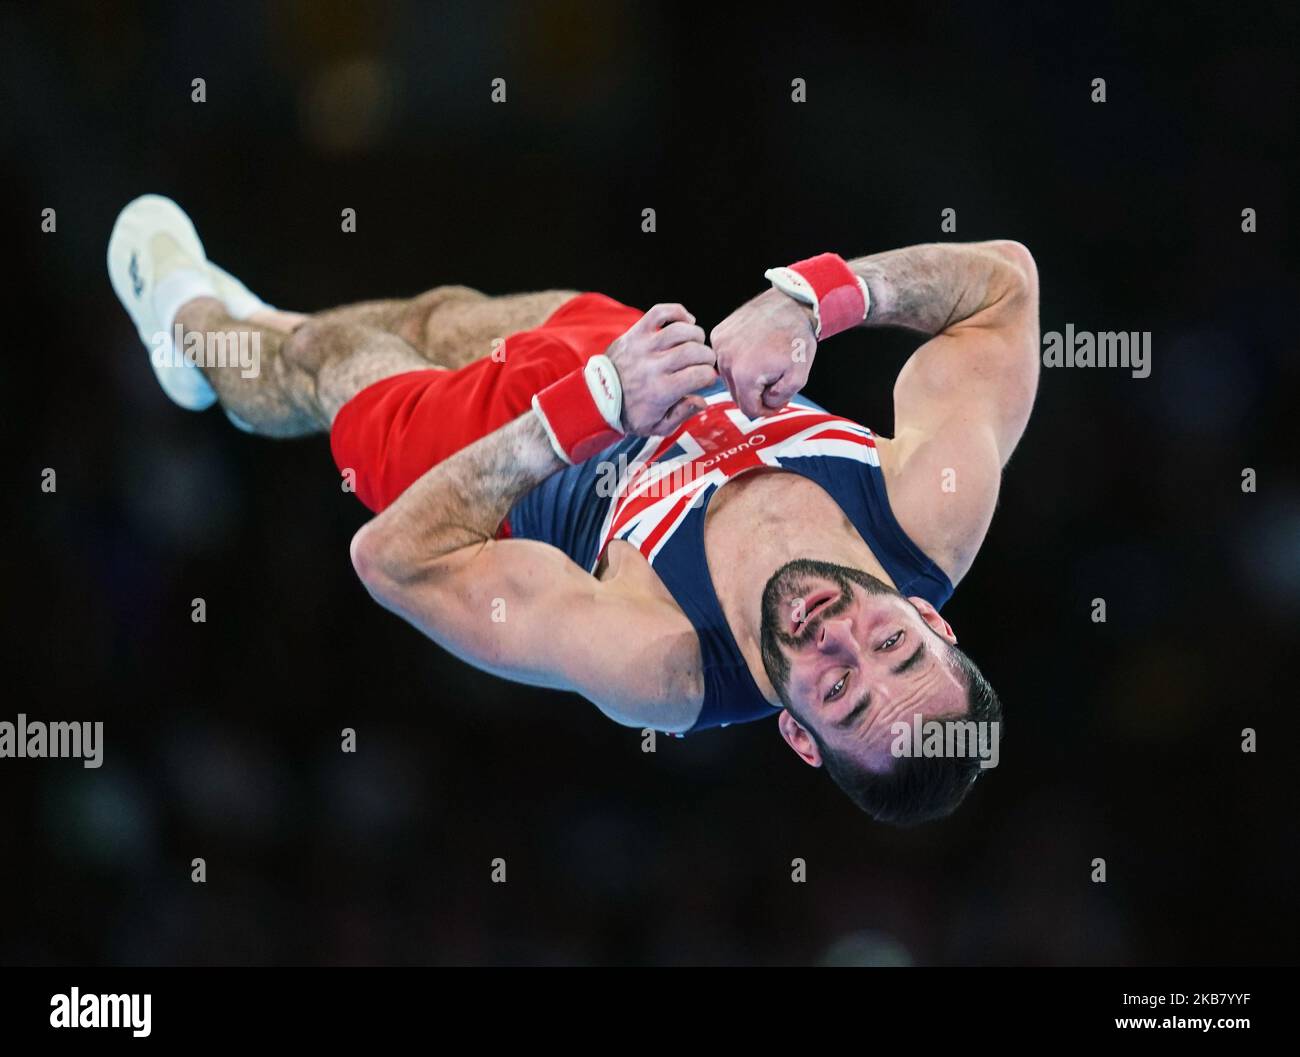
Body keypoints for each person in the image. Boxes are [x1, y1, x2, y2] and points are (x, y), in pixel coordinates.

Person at [109, 195, 1039, 824]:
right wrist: (815, 301)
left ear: (797, 731)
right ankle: (234, 339)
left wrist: (586, 413)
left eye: (838, 692)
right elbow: (1004, 284)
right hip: (627, 358)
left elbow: (391, 560)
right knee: (436, 315)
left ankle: (191, 331)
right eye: (892, 646)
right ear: (929, 616)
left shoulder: (666, 667)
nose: (841, 641)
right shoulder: (930, 506)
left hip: (496, 467)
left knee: (323, 356)